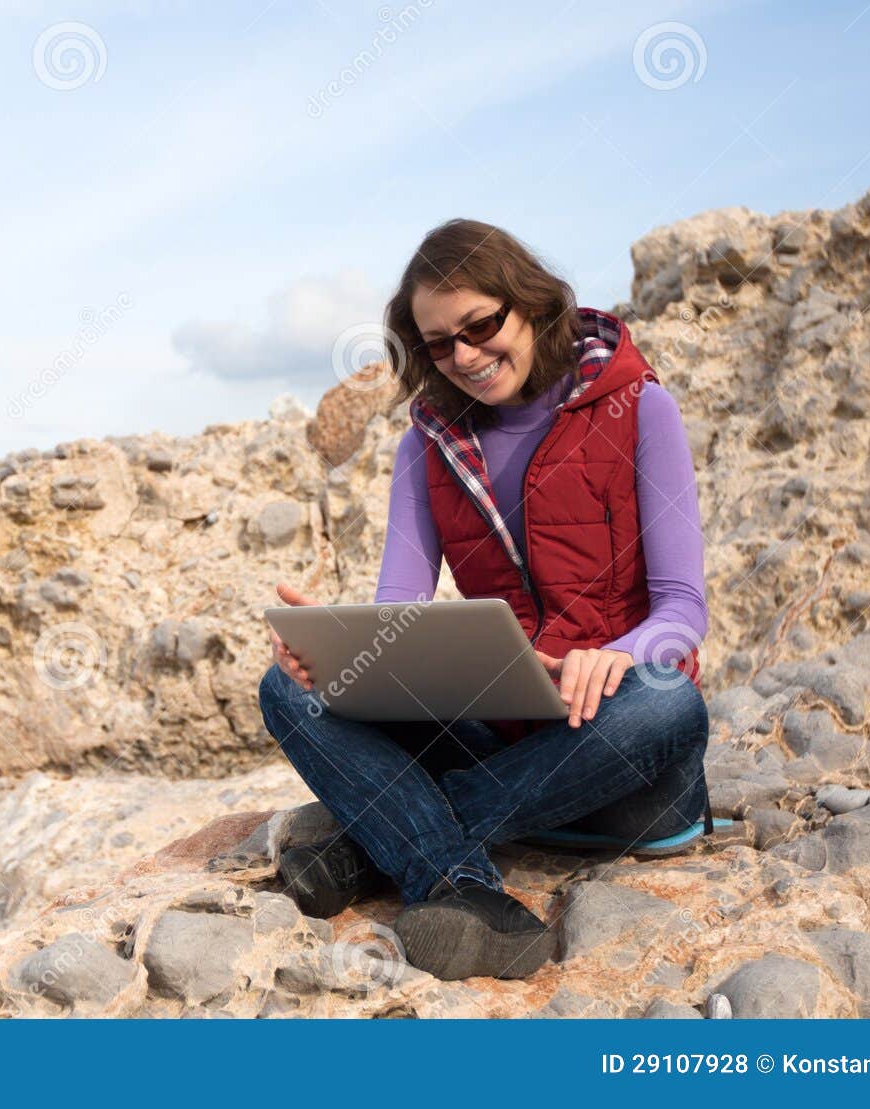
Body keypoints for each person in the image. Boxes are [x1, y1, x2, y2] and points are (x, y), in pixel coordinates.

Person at [257, 220, 711, 981]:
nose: (465, 355)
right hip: (504, 741)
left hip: (616, 760)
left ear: (529, 303)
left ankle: (382, 839)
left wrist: (616, 657)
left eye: (481, 325)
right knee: (284, 691)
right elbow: (399, 610)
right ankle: (466, 885)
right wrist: (335, 651)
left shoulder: (640, 406)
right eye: (440, 343)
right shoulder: (424, 447)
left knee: (670, 698)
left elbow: (682, 611)